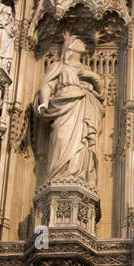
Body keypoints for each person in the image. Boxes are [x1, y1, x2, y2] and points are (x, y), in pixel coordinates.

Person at [33, 36, 103, 186]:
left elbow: (101, 93)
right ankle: (59, 176)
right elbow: (47, 86)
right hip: (63, 106)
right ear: (70, 46)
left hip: (83, 107)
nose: (82, 43)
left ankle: (79, 177)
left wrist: (93, 77)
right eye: (77, 41)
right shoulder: (58, 66)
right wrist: (44, 102)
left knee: (82, 145)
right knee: (61, 138)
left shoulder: (86, 70)